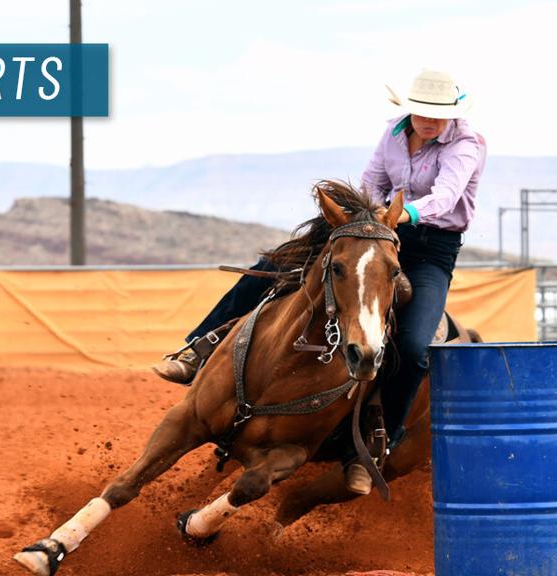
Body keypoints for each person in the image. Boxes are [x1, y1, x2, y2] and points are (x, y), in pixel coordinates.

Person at [152, 68, 486, 493]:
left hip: (429, 247)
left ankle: (380, 440)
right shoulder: (394, 133)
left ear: (452, 116)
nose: (428, 121)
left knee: (416, 345)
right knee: (269, 266)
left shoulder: (466, 145)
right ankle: (199, 349)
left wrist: (403, 214)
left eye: (438, 115)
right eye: (422, 112)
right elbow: (371, 181)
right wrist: (365, 217)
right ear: (410, 109)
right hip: (372, 231)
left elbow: (447, 195)